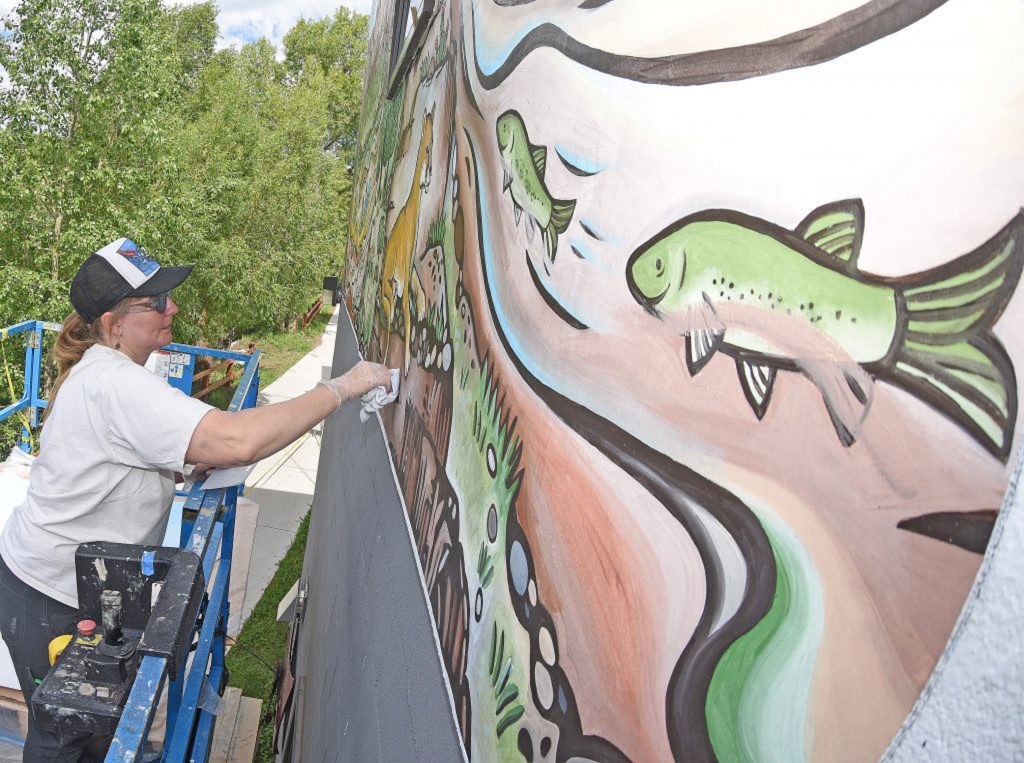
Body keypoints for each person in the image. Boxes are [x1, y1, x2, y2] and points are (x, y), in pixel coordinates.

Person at [0, 238, 392, 760]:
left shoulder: (107, 373)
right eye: (157, 301)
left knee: (86, 731)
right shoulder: (115, 384)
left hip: (63, 584)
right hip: (52, 596)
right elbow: (238, 440)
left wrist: (183, 464)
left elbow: (122, 455)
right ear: (115, 323)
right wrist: (345, 386)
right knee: (61, 738)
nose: (173, 308)